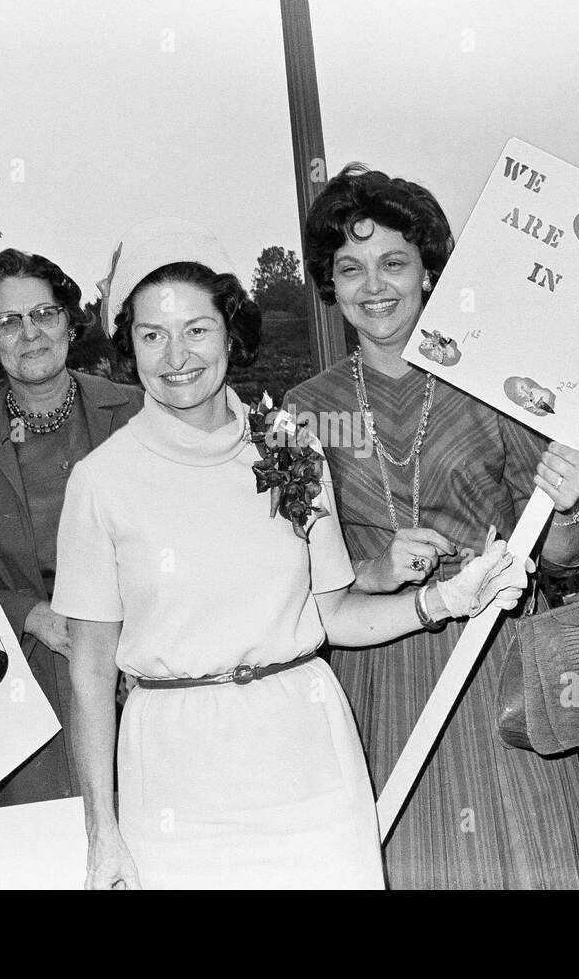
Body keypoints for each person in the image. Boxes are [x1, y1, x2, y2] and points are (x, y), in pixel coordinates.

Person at [53, 218, 532, 889]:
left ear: (230, 331)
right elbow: (90, 675)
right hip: (174, 772)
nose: (176, 355)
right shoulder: (100, 484)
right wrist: (102, 832)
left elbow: (335, 614)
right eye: (151, 335)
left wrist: (446, 599)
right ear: (127, 348)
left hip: (307, 751)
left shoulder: (289, 447)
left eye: (197, 329)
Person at [285, 165, 579, 889]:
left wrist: (569, 506)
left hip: (499, 667)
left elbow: (566, 559)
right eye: (350, 268)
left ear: (429, 272)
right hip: (373, 669)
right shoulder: (301, 413)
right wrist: (368, 571)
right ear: (328, 286)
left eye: (394, 261)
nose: (375, 286)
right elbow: (286, 575)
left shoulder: (500, 385)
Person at [0, 249, 143, 807]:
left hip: (143, 664)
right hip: (28, 680)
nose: (30, 334)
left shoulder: (137, 415)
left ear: (70, 321)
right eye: (8, 322)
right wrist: (31, 615)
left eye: (45, 314)